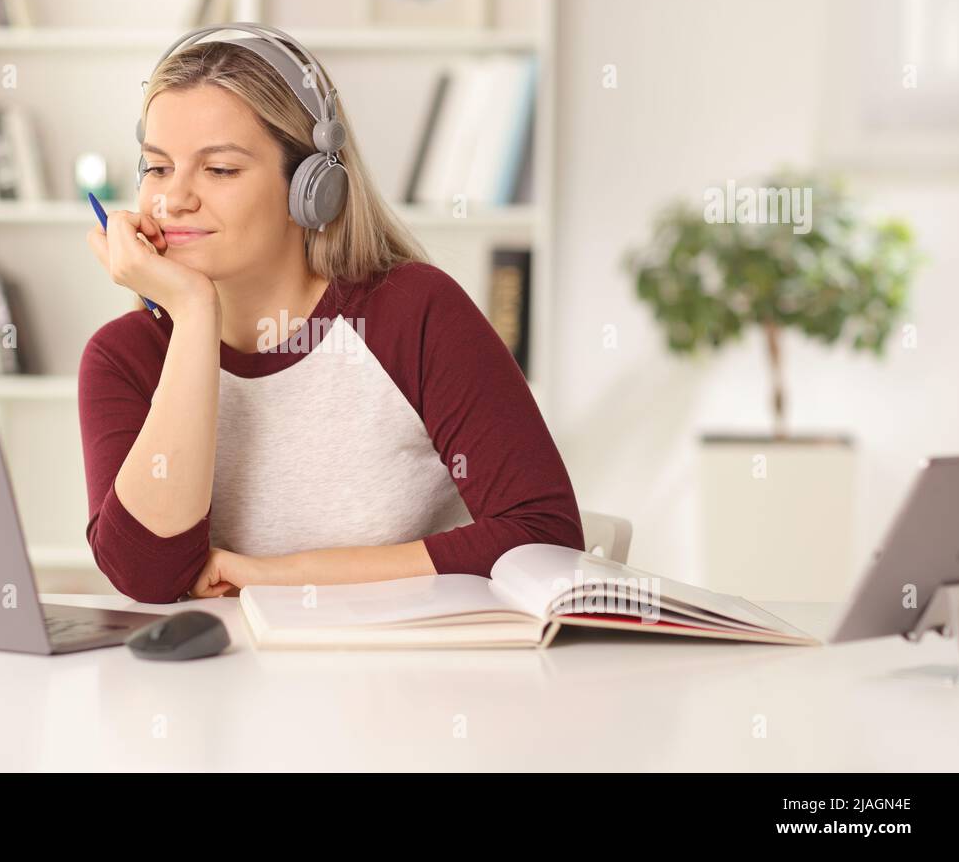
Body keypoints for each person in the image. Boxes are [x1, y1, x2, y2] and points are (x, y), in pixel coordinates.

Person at [79, 32, 582, 604]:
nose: (174, 199)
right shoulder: (123, 357)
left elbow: (544, 536)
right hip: (216, 684)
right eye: (158, 168)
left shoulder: (413, 313)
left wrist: (279, 576)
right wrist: (193, 314)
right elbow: (148, 576)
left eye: (218, 170)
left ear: (310, 188)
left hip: (411, 679)